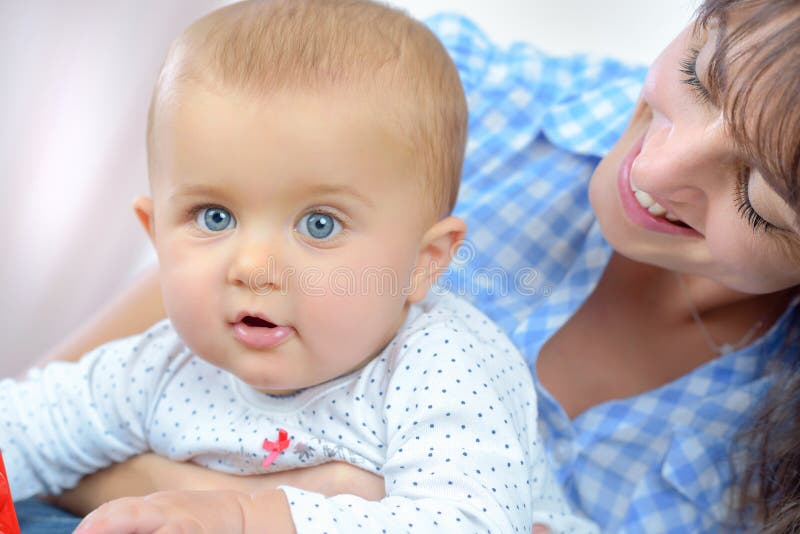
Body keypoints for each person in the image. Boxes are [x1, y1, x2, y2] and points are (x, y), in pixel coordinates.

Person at [14, 0, 800, 532]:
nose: (658, 170)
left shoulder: (441, 364)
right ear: (156, 230)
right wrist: (330, 496)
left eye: (761, 193)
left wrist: (259, 516)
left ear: (428, 263)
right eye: (701, 77)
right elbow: (30, 427)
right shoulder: (158, 361)